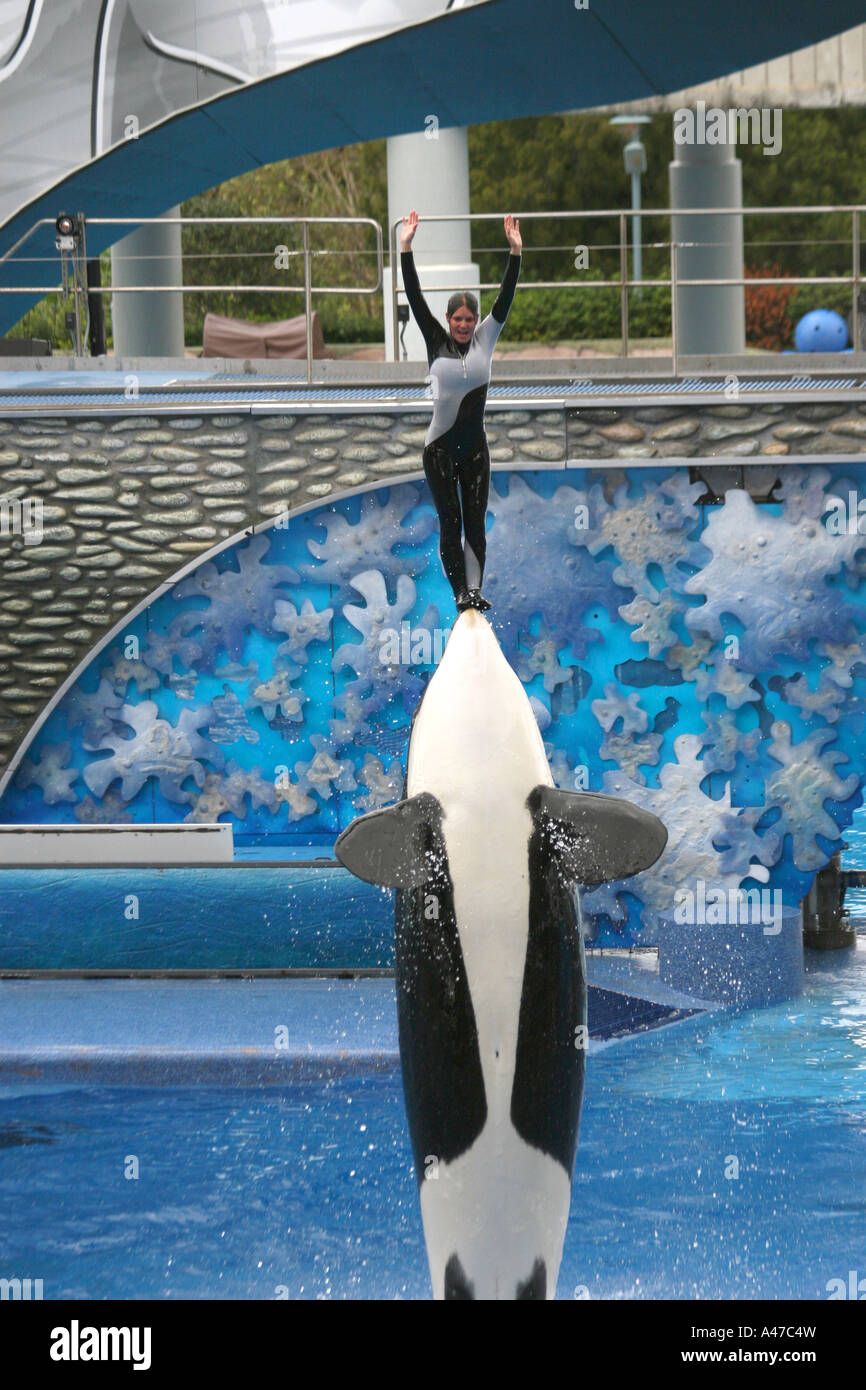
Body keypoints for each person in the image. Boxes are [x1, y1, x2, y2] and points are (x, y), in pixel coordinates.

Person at [400, 209, 522, 612]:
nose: (465, 324)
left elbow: (504, 298)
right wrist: (406, 247)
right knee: (450, 522)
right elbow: (415, 296)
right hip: (438, 449)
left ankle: (474, 590)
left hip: (474, 449)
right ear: (449, 319)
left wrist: (515, 254)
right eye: (459, 319)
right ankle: (459, 594)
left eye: (470, 318)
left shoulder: (487, 338)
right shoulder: (434, 338)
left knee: (476, 523)